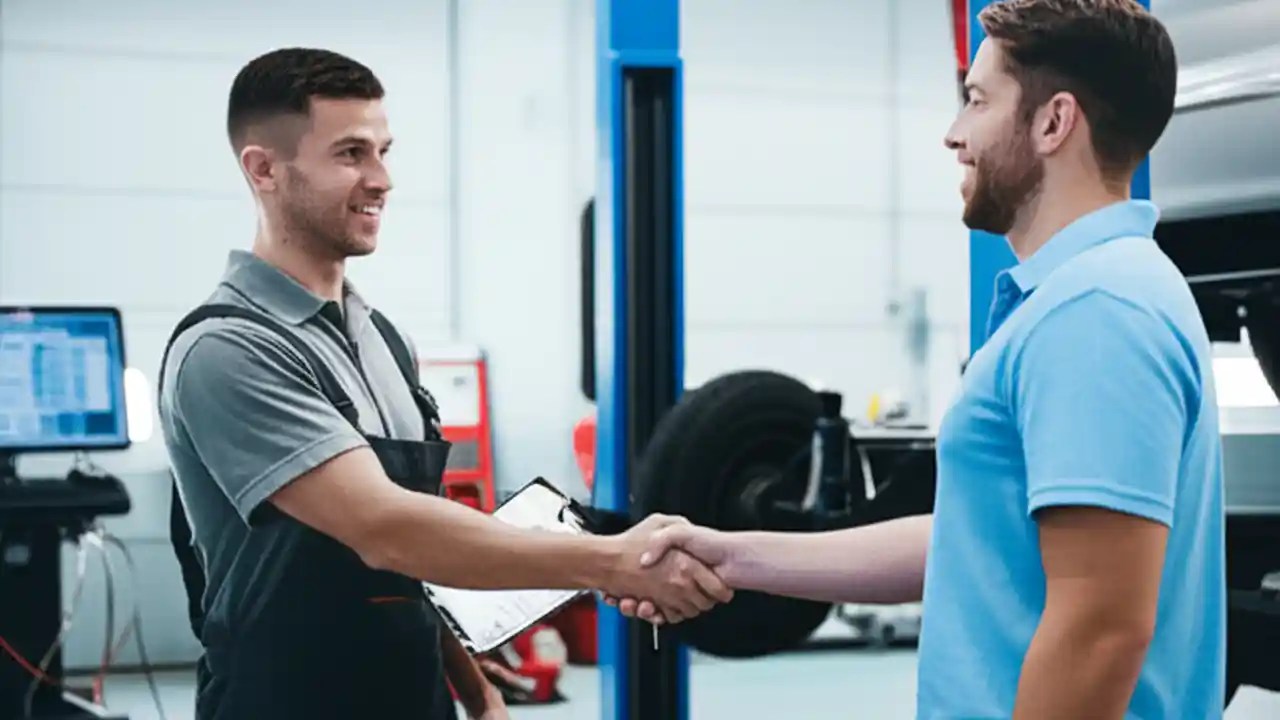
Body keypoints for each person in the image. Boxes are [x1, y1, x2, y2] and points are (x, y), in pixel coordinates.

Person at [611, 1, 1227, 718]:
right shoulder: (1085, 297)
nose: (954, 134)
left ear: (1054, 122)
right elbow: (971, 539)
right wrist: (733, 556)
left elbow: (1100, 630)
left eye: (975, 101)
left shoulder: (1096, 313)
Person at [157, 47, 731, 720]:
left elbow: (408, 564)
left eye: (383, 150)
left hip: (411, 696)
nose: (382, 179)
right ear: (264, 170)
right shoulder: (229, 349)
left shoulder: (381, 339)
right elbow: (385, 527)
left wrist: (474, 686)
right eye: (350, 154)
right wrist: (611, 563)